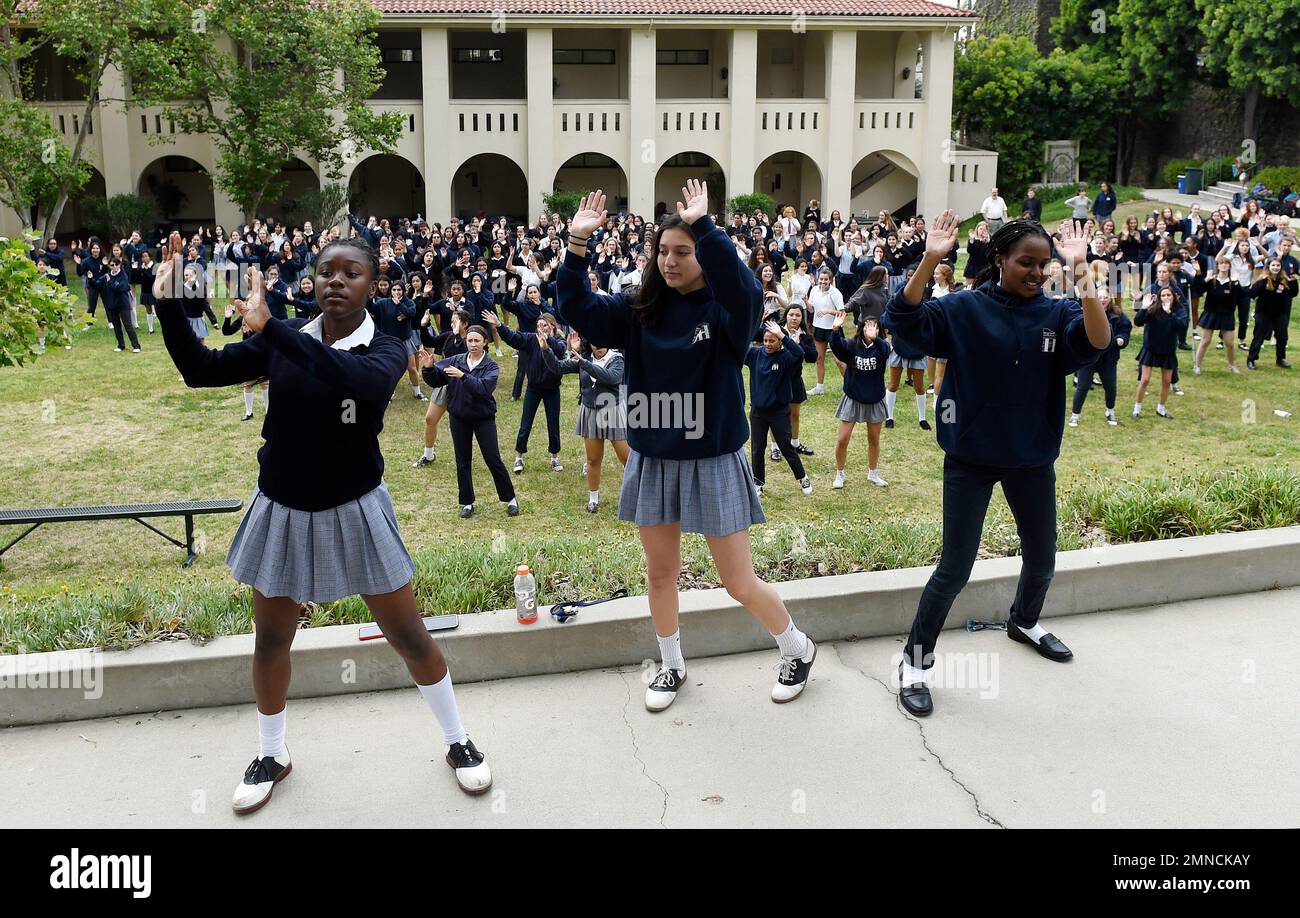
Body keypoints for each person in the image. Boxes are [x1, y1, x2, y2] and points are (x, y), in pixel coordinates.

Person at [154, 232, 493, 811]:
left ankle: (458, 740)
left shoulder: (384, 349)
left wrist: (275, 329)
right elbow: (200, 371)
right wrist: (167, 304)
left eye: (351, 272)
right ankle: (273, 754)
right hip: (282, 507)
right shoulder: (286, 336)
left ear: (371, 284)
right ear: (312, 279)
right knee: (271, 641)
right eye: (326, 271)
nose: (336, 280)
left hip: (355, 507)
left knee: (409, 635)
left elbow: (350, 381)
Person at [559, 184, 818, 712]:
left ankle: (797, 647)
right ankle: (671, 663)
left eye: (684, 251)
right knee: (659, 572)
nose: (671, 261)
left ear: (702, 253)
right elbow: (578, 308)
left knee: (737, 579)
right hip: (654, 459)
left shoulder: (726, 315)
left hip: (713, 458)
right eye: (663, 251)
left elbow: (745, 293)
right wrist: (577, 245)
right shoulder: (640, 310)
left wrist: (706, 228)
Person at [883, 214, 1111, 716]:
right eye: (1024, 262)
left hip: (1032, 458)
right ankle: (915, 663)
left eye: (1043, 263)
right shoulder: (963, 309)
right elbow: (904, 324)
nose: (1035, 271)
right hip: (971, 458)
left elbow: (1097, 340)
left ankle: (1024, 621)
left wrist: (1082, 273)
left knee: (1043, 556)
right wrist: (930, 259)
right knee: (954, 567)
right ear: (999, 261)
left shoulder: (1056, 312)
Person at [420, 325, 520, 518]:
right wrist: (429, 368)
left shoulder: (491, 366)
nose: (473, 344)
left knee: (493, 458)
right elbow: (436, 381)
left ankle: (510, 499)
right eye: (470, 341)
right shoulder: (456, 360)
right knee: (462, 460)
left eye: (477, 341)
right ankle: (467, 502)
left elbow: (483, 388)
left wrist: (463, 376)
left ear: (485, 342)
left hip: (483, 418)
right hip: (459, 418)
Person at [542, 331, 629, 512]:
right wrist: (545, 350)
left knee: (627, 459)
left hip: (612, 411)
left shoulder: (617, 359)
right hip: (590, 411)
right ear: (589, 344)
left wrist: (583, 362)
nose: (599, 346)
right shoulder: (583, 359)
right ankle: (593, 499)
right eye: (594, 342)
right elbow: (557, 368)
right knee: (593, 459)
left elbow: (610, 377)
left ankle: (633, 496)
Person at [479, 310, 566, 473]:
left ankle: (555, 458)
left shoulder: (559, 341)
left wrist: (548, 340)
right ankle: (519, 457)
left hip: (552, 390)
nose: (541, 328)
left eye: (545, 325)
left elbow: (561, 351)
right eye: (539, 325)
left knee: (553, 424)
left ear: (552, 326)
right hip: (533, 388)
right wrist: (499, 325)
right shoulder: (530, 339)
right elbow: (513, 337)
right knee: (525, 424)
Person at [745, 320, 813, 497]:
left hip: (779, 412)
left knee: (786, 447)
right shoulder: (755, 354)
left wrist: (783, 335)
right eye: (765, 340)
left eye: (772, 341)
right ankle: (758, 483)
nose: (767, 344)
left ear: (780, 342)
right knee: (757, 448)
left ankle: (802, 478)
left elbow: (800, 354)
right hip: (758, 412)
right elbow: (737, 348)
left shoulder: (785, 358)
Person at [829, 311, 891, 488]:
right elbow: (837, 348)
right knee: (843, 439)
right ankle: (840, 474)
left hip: (874, 399)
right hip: (853, 397)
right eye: (868, 326)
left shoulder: (881, 347)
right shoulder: (852, 346)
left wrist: (875, 339)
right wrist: (835, 330)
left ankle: (873, 473)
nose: (871, 329)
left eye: (875, 326)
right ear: (861, 328)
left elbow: (885, 351)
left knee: (874, 438)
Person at [1068, 286, 1130, 427]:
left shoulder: (1118, 314)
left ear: (1110, 298)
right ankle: (1075, 415)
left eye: (1105, 297)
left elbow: (1125, 329)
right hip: (1088, 357)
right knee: (1082, 386)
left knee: (1110, 387)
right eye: (1100, 297)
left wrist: (1122, 339)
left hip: (1108, 359)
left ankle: (1110, 411)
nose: (1102, 300)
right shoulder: (1087, 312)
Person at [1132, 287, 1187, 419]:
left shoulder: (1179, 310)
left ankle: (1161, 408)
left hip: (1168, 350)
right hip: (1151, 348)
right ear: (1159, 297)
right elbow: (1138, 322)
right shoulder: (1153, 309)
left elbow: (1182, 326)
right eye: (1163, 295)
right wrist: (1144, 308)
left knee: (1167, 381)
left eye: (1168, 295)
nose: (1166, 298)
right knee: (1144, 380)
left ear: (1174, 297)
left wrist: (1169, 312)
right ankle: (1137, 409)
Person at [1193, 257, 1241, 374]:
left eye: (1226, 264)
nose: (1224, 266)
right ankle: (1197, 365)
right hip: (1211, 313)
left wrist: (1237, 283)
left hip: (1226, 315)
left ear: (1229, 266)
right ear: (1217, 266)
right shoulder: (1212, 280)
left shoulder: (1233, 282)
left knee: (1229, 343)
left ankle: (1232, 364)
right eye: (1221, 263)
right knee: (1205, 341)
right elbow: (1198, 290)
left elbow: (1241, 296)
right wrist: (1201, 276)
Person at [1246, 258, 1294, 370]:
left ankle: (1280, 359)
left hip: (1279, 314)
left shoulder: (1284, 280)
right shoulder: (1263, 280)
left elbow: (1293, 293)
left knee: (1282, 336)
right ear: (1268, 267)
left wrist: (1293, 282)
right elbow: (1251, 294)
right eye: (1273, 265)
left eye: (1278, 265)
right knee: (1259, 337)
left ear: (1281, 267)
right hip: (1263, 313)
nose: (1275, 268)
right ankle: (1251, 359)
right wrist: (1261, 283)